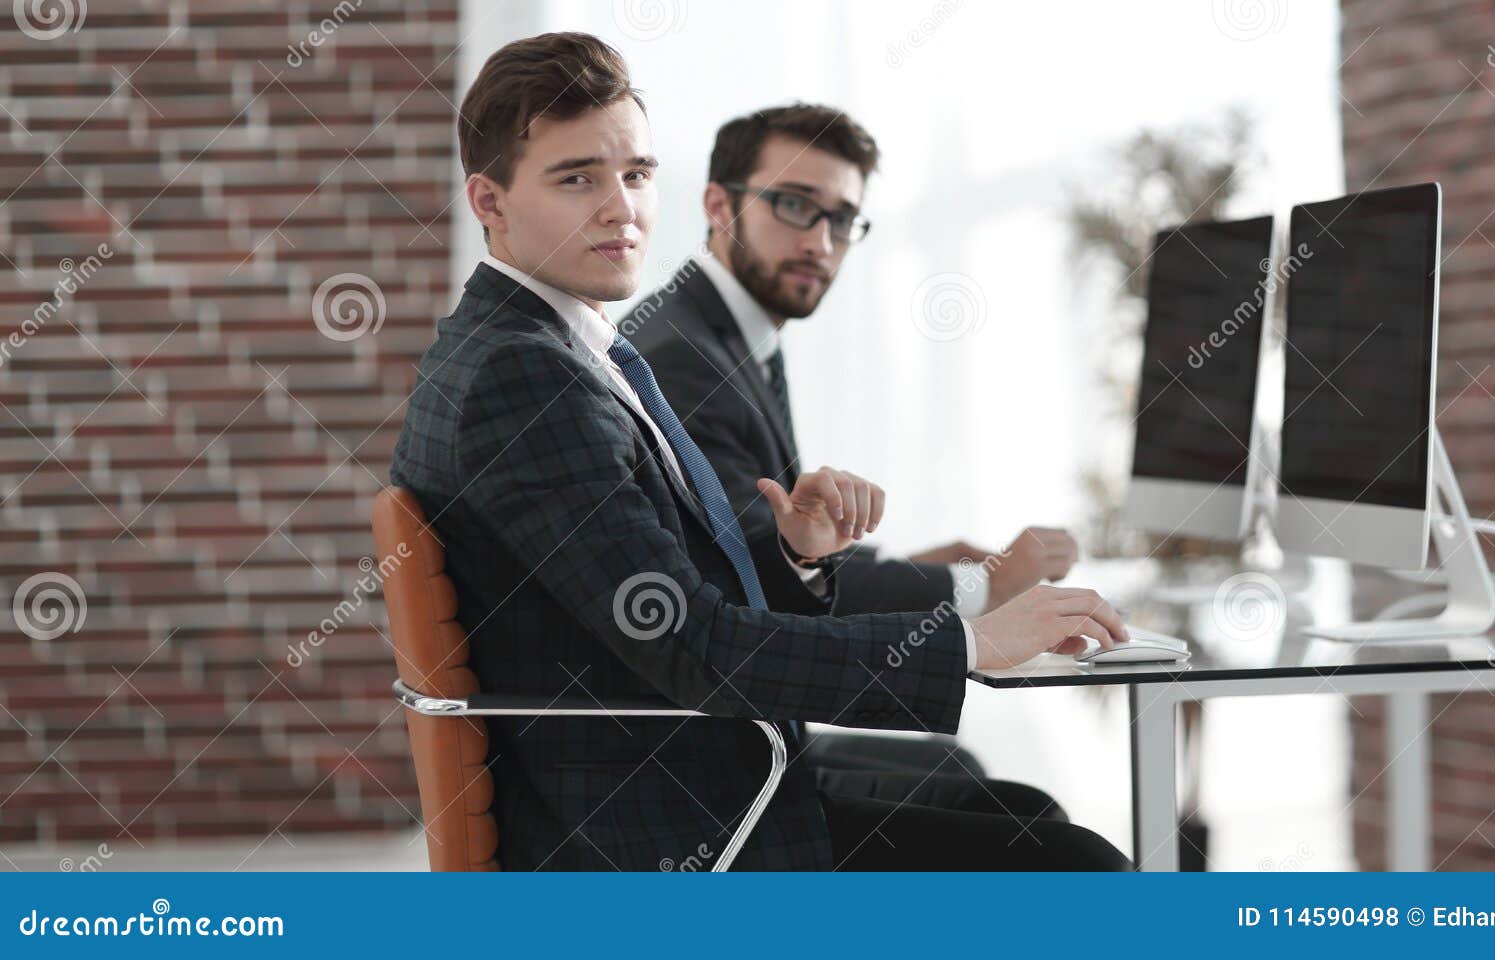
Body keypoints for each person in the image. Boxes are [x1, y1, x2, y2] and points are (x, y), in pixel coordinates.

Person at [388, 32, 1130, 871]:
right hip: (663, 829)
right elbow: (692, 643)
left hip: (691, 777)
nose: (620, 208)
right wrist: (973, 642)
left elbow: (665, 592)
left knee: (1031, 821)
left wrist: (794, 557)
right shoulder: (526, 376)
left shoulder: (549, 347)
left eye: (635, 174)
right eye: (576, 178)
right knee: (1077, 866)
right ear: (488, 201)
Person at [625, 103, 1079, 813]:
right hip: (714, 764)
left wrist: (942, 571)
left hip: (740, 730)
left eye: (842, 219)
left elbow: (779, 559)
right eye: (795, 206)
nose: (821, 241)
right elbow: (760, 584)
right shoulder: (684, 359)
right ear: (718, 205)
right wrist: (983, 590)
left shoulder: (719, 336)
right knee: (1042, 829)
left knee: (962, 772)